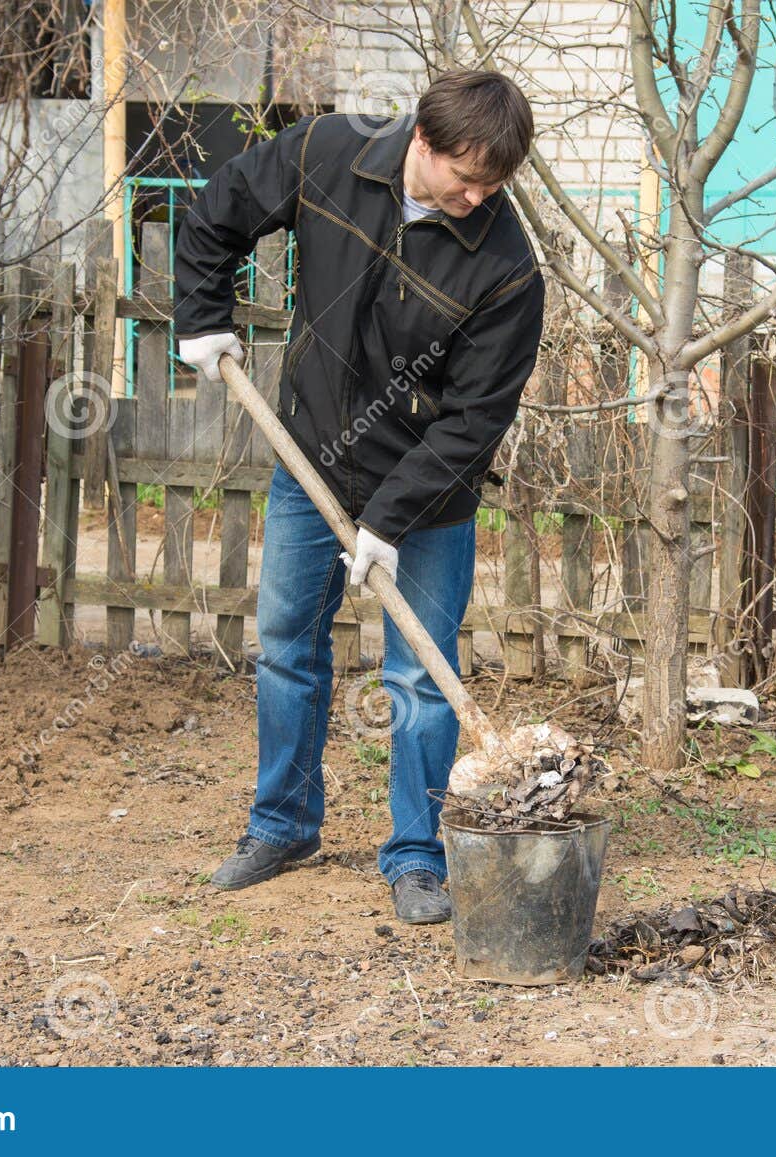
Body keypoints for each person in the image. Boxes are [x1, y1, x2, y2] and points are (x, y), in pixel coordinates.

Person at [172, 71, 544, 924]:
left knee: (419, 672)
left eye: (495, 183)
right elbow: (221, 206)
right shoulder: (330, 152)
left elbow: (475, 418)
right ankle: (283, 824)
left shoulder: (506, 267)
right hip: (310, 457)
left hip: (428, 492)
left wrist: (389, 518)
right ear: (422, 140)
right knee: (286, 646)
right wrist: (201, 314)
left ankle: (416, 855)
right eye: (467, 176)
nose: (478, 195)